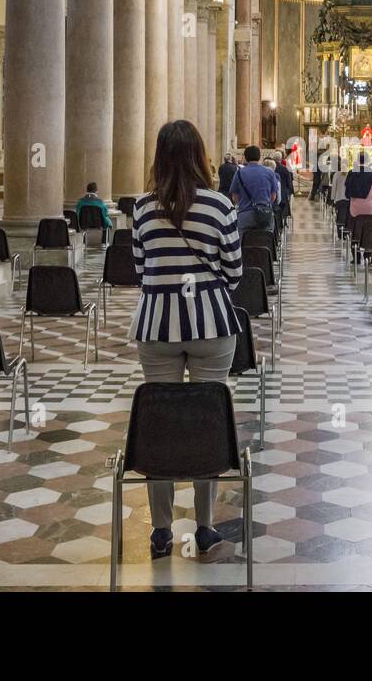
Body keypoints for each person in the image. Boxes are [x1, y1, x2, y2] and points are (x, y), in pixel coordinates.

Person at [129, 120, 243, 559]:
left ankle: (160, 530)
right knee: (206, 418)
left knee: (160, 421)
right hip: (211, 323)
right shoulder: (218, 206)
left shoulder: (141, 208)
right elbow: (233, 270)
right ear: (200, 155)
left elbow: (140, 271)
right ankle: (205, 526)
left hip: (157, 322)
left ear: (158, 156)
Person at [227, 144, 277, 233]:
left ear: (245, 157)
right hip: (264, 214)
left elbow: (235, 197)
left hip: (245, 214)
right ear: (259, 157)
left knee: (241, 242)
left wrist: (244, 204)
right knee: (267, 240)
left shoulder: (239, 173)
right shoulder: (270, 172)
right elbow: (273, 196)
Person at [345, 151, 372, 218]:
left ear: (357, 160)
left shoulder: (351, 173)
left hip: (355, 208)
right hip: (370, 207)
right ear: (368, 160)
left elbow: (347, 190)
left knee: (356, 225)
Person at [273, 150, 294, 229]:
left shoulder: (271, 168)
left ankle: (276, 227)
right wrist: (290, 191)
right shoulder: (285, 169)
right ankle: (283, 224)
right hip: (283, 193)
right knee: (282, 211)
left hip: (273, 193)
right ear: (281, 159)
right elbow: (289, 182)